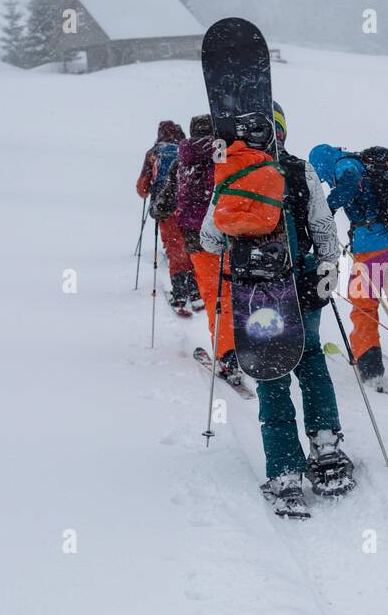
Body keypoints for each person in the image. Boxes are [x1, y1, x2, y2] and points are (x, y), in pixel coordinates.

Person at [200, 103, 355, 515]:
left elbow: (210, 241)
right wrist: (327, 268)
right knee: (311, 364)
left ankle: (285, 472)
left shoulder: (232, 174)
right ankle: (326, 451)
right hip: (302, 284)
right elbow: (323, 226)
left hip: (256, 293)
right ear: (282, 131)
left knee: (270, 373)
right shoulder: (300, 170)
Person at [307, 143, 388, 391]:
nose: (323, 178)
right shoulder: (365, 162)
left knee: (363, 307)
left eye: (319, 172)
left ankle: (370, 370)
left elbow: (348, 182)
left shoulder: (344, 165)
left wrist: (323, 209)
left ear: (321, 163)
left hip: (372, 249)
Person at [159, 114, 238, 377]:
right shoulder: (222, 152)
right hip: (226, 231)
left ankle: (226, 353)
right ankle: (240, 347)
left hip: (195, 238)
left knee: (214, 295)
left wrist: (160, 211)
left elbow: (164, 202)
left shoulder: (181, 162)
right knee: (232, 292)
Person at [136, 120, 200, 311]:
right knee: (192, 245)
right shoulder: (187, 150)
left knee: (175, 247)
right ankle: (197, 291)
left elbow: (142, 189)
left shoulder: (154, 153)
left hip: (165, 208)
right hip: (190, 206)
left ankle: (180, 294)